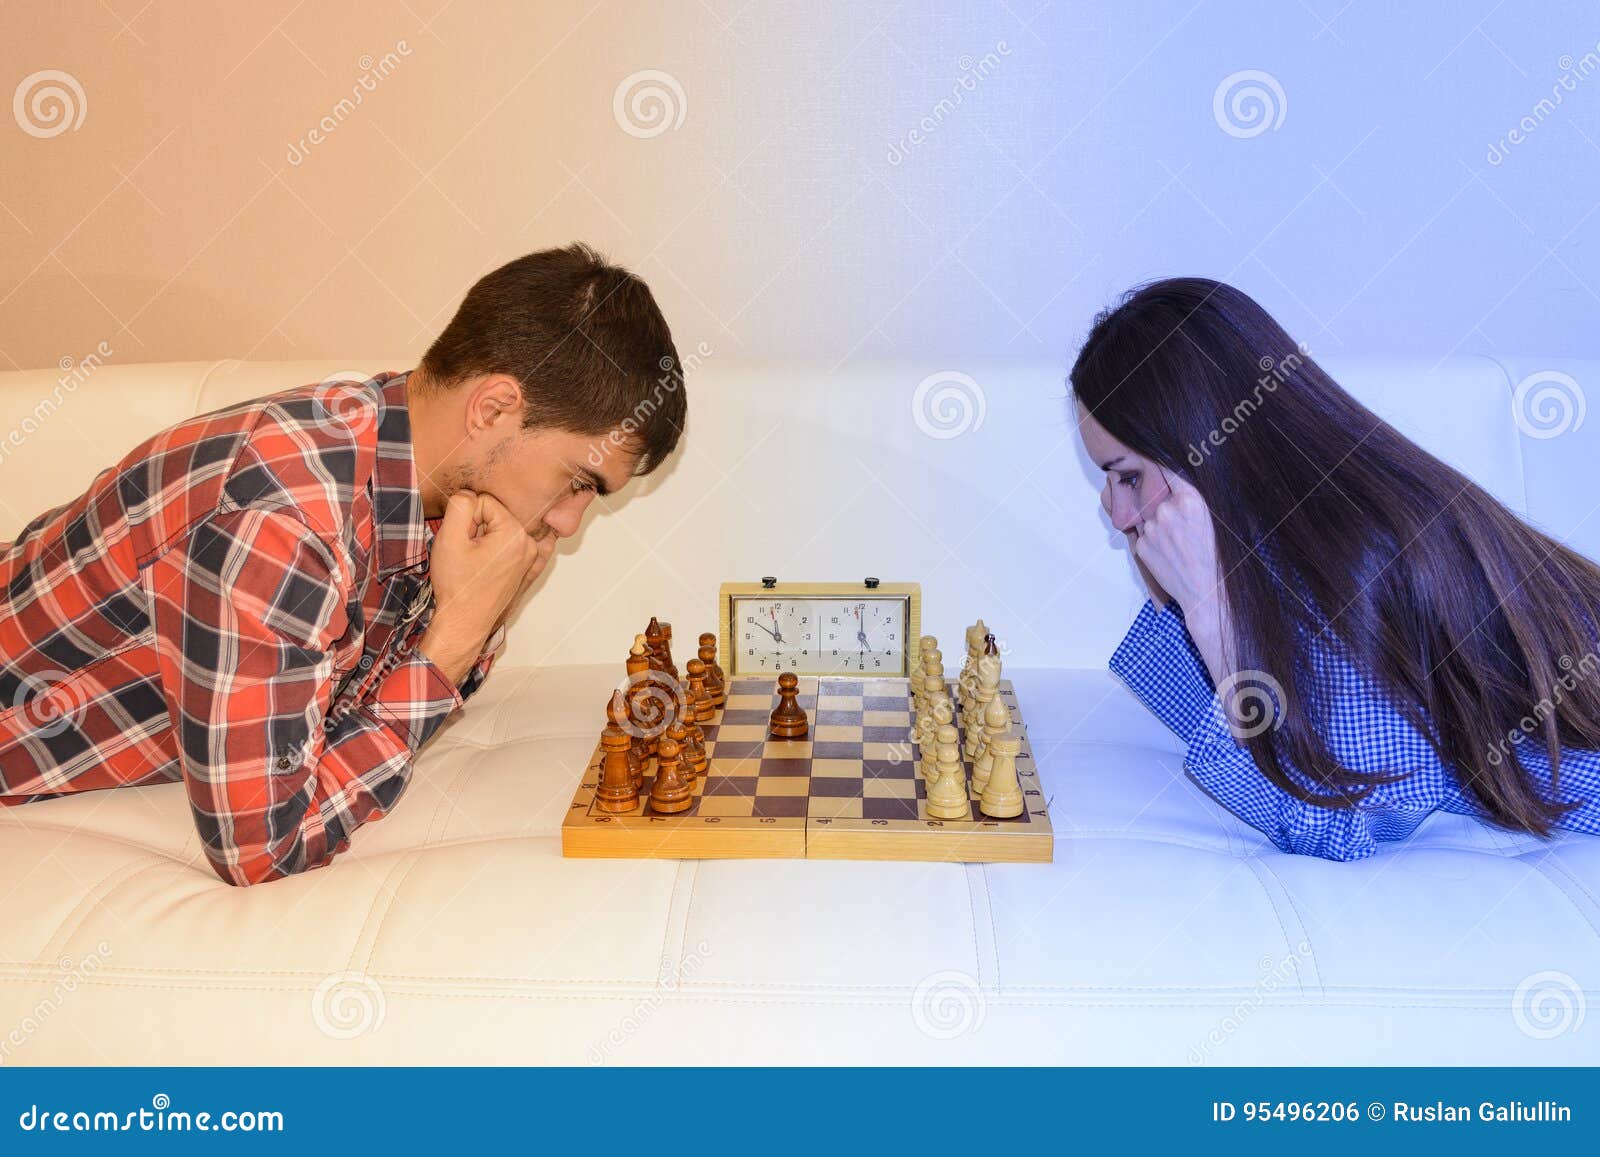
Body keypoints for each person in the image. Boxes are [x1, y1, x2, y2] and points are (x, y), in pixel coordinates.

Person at [0, 243, 687, 886]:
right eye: (577, 481)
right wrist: (455, 638)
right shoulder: (282, 519)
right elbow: (264, 845)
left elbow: (344, 703)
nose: (568, 523)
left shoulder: (410, 456)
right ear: (495, 407)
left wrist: (478, 608)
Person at [1073, 276, 1600, 860]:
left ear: (1206, 447)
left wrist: (1209, 612)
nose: (1118, 513)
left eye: (1128, 477)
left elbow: (1336, 828)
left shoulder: (1357, 564)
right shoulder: (1288, 537)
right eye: (1107, 479)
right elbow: (1231, 716)